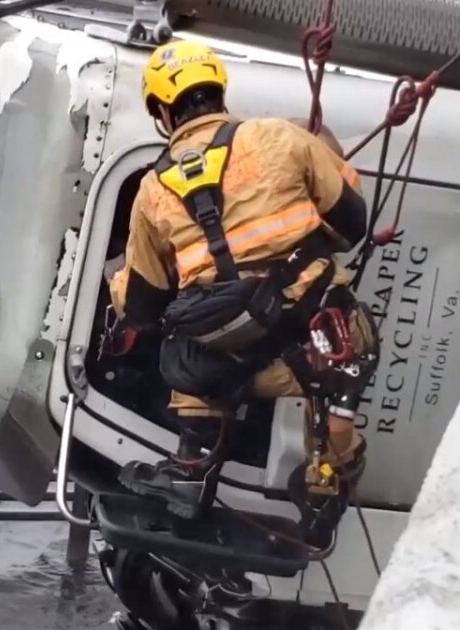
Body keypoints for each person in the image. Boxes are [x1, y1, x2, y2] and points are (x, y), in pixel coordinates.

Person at [107, 40, 375, 547]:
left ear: (163, 113)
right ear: (219, 90)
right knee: (352, 348)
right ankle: (328, 486)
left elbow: (144, 309)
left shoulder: (152, 191)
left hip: (225, 369)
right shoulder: (283, 138)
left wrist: (127, 284)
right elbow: (352, 223)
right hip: (318, 356)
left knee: (178, 349)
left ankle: (192, 471)